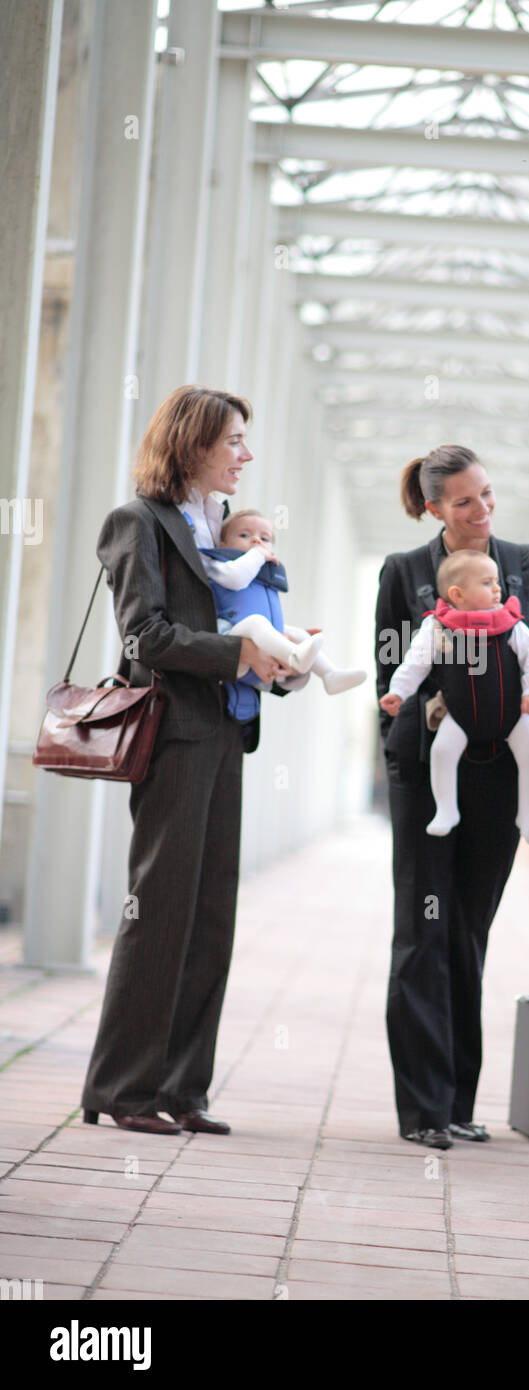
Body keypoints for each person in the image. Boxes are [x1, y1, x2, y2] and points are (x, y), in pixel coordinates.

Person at [81, 386, 296, 1136]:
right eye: (233, 439)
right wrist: (236, 653)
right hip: (173, 737)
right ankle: (123, 1088)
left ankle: (179, 1086)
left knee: (209, 917)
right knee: (159, 912)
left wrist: (283, 657)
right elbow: (146, 638)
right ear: (193, 442)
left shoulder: (226, 530)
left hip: (227, 737)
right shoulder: (137, 522)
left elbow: (241, 624)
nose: (245, 454)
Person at [375, 444, 529, 1150]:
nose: (483, 510)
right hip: (428, 777)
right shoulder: (404, 574)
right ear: (434, 508)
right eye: (464, 502)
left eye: (487, 494)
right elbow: (391, 674)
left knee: (468, 932)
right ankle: (423, 1108)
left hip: (501, 776)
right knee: (421, 931)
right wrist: (428, 711)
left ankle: (457, 1100)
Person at [380, 549, 529, 842]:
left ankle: (528, 816)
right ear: (456, 594)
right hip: (459, 715)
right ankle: (446, 810)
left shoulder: (512, 626)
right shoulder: (437, 627)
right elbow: (414, 663)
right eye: (486, 583)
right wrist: (398, 692)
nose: (497, 588)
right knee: (442, 752)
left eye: (496, 581)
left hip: (511, 714)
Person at [193, 507, 366, 712]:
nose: (256, 541)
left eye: (264, 539)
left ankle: (330, 675)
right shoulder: (219, 566)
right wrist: (257, 555)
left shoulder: (262, 574)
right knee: (257, 622)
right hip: (229, 642)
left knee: (298, 633)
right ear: (223, 544)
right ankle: (294, 654)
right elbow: (236, 579)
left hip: (262, 654)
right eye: (244, 535)